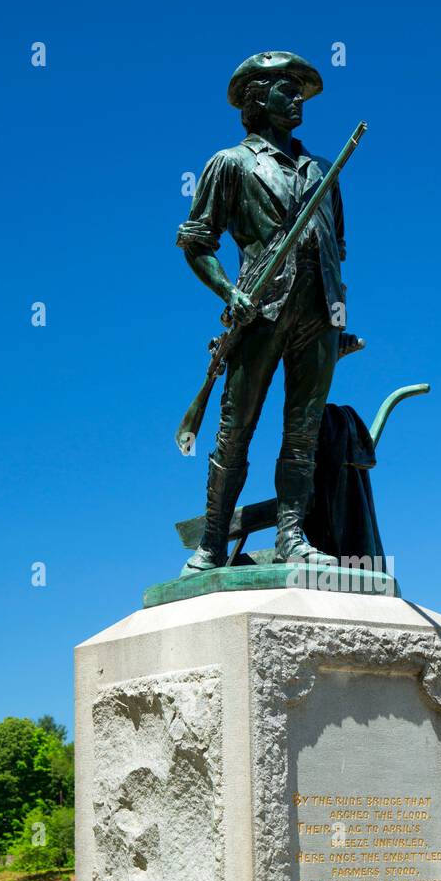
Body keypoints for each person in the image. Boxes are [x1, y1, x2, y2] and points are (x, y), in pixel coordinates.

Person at [176, 51, 349, 572]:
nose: (297, 97)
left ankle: (293, 536)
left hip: (318, 312)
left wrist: (339, 320)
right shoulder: (229, 163)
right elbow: (195, 242)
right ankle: (210, 544)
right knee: (236, 430)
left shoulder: (323, 169)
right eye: (285, 88)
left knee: (303, 433)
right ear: (256, 97)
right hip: (259, 310)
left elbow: (337, 247)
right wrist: (230, 293)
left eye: (300, 89)